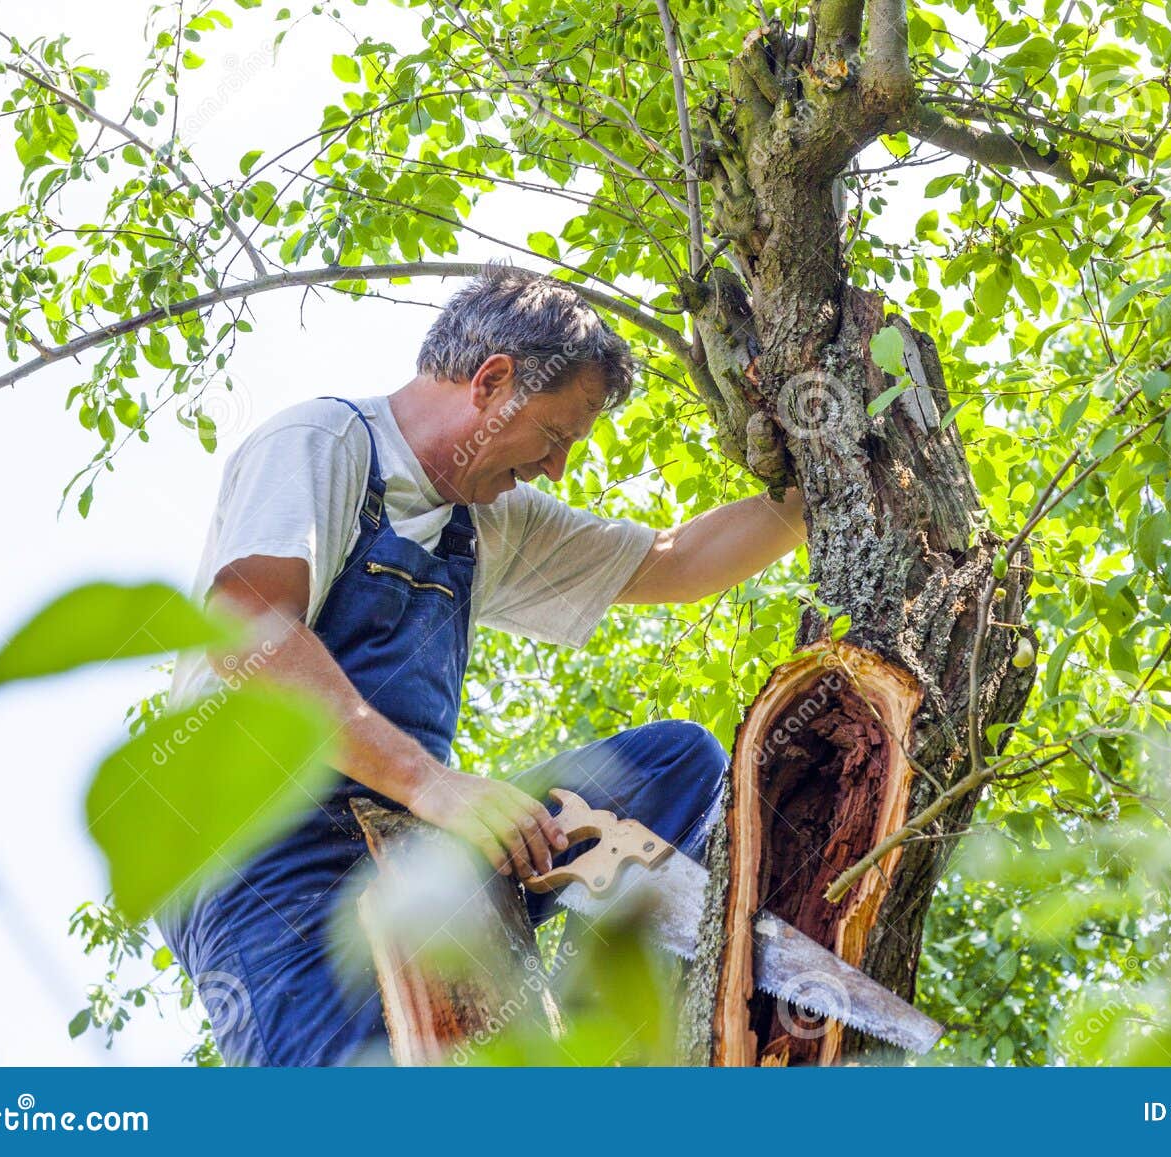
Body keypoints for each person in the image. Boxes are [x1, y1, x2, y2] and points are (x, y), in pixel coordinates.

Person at [157, 265, 807, 1065]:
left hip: (402, 841)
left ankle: (585, 1063)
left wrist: (816, 487)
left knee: (674, 768)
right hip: (259, 854)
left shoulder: (489, 518)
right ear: (493, 380)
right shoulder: (324, 443)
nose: (556, 468)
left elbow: (679, 562)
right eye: (557, 435)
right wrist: (436, 784)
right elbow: (248, 631)